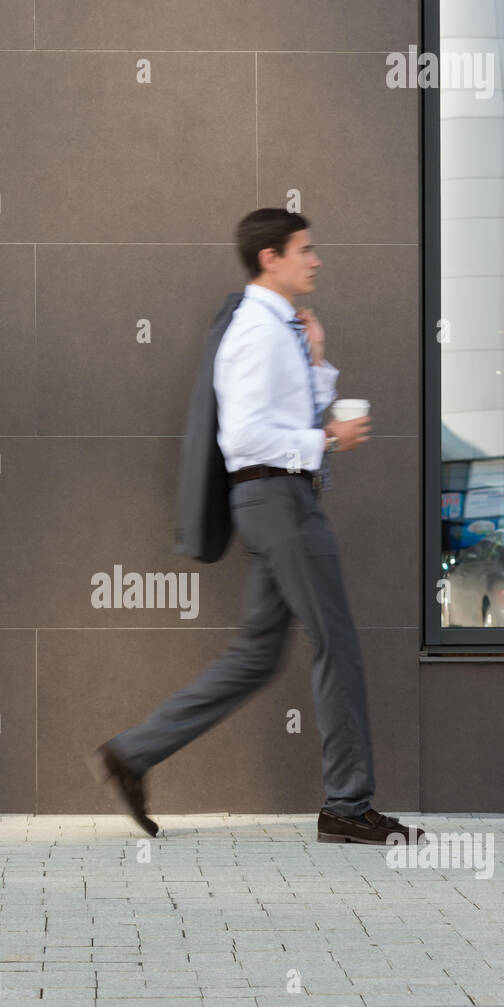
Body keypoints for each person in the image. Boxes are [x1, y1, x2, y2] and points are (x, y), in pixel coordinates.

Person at [91, 209, 424, 847]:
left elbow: (279, 411)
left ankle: (131, 754)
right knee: (338, 646)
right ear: (270, 257)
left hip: (277, 500)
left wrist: (319, 362)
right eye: (305, 249)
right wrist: (326, 435)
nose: (316, 260)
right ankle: (348, 806)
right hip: (279, 501)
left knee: (255, 657)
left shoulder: (282, 329)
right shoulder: (256, 329)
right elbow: (243, 434)